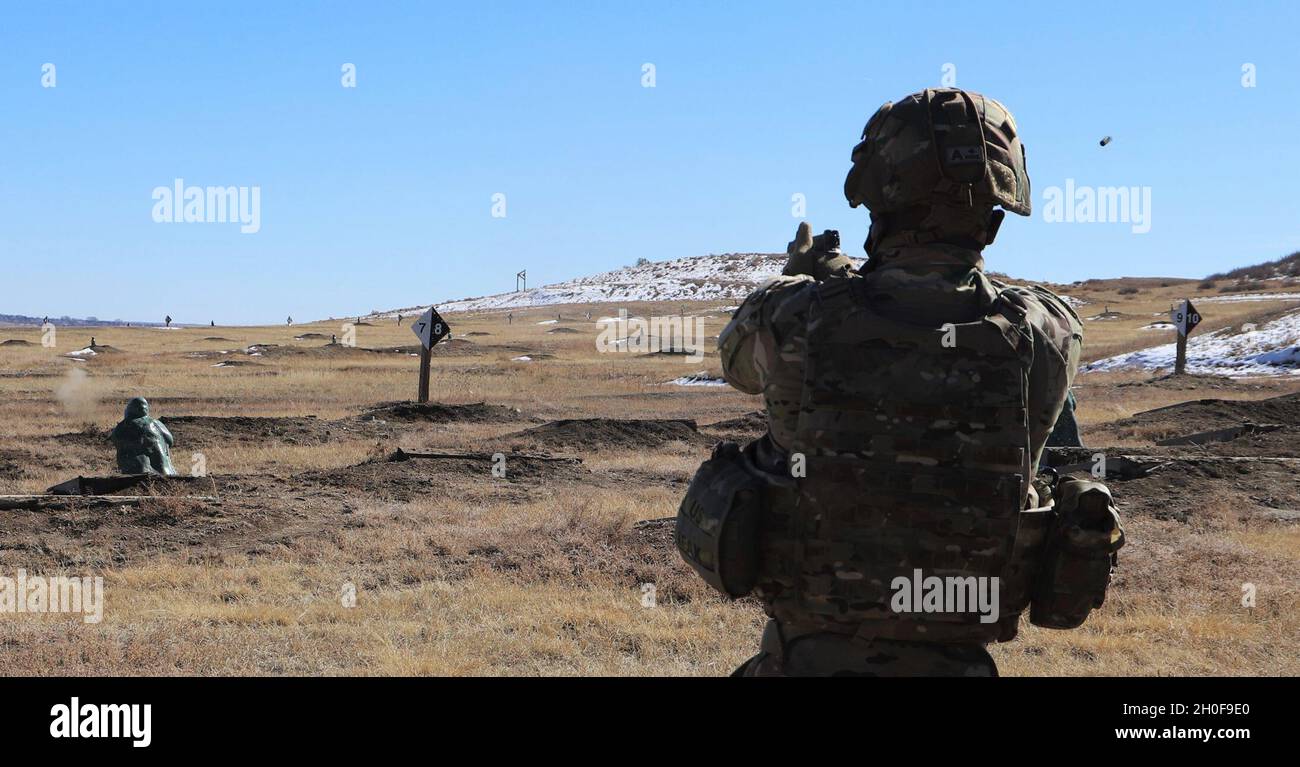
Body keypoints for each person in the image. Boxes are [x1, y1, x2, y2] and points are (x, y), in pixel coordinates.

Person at [678, 88, 1123, 676]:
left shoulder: (789, 316)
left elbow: (738, 365)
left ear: (875, 204)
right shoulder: (1048, 332)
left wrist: (812, 281)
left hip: (806, 658)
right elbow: (935, 309)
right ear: (993, 221)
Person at [109, 397, 177, 476]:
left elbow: (114, 438)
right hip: (170, 473)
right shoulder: (157, 423)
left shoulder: (126, 424)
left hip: (143, 476)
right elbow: (170, 441)